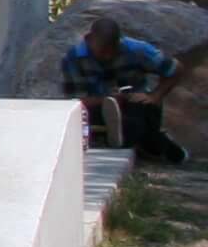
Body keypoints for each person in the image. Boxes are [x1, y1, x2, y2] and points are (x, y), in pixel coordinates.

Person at [62, 17, 186, 162]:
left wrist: (155, 95)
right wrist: (110, 99)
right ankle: (121, 133)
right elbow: (76, 101)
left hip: (136, 105)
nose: (107, 56)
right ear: (89, 39)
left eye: (112, 50)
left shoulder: (137, 49)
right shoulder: (74, 58)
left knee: (138, 117)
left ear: (119, 41)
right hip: (97, 106)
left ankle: (132, 137)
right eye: (102, 51)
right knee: (124, 124)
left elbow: (176, 69)